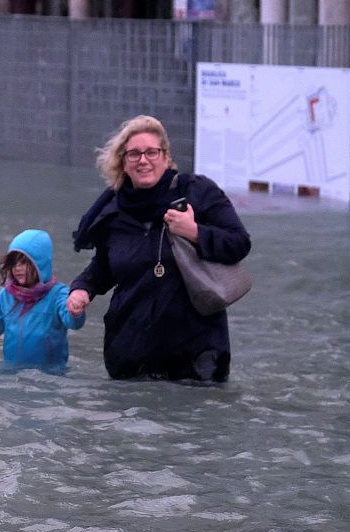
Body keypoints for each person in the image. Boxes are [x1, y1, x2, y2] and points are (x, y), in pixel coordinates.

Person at [66, 115, 251, 382]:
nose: (143, 160)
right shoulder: (114, 211)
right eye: (134, 154)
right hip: (131, 355)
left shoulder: (198, 192)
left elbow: (239, 243)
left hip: (196, 357)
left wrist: (195, 233)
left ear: (166, 157)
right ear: (123, 163)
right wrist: (82, 289)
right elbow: (104, 267)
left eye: (152, 152)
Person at [0, 229, 85, 374]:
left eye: (24, 262)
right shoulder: (6, 295)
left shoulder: (58, 294)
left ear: (41, 263)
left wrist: (75, 312)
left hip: (50, 377)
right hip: (12, 375)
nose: (17, 268)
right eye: (13, 263)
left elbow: (73, 323)